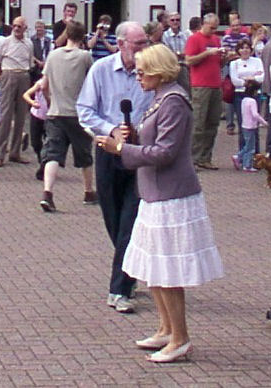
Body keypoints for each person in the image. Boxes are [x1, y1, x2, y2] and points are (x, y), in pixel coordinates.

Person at [94, 44, 223, 363]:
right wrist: (134, 136)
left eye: (142, 71)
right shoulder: (160, 99)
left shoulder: (174, 101)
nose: (137, 77)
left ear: (158, 71)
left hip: (172, 196)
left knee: (168, 269)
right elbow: (154, 143)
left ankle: (180, 337)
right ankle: (166, 328)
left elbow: (166, 151)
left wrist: (121, 150)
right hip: (153, 193)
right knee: (151, 265)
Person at [77, 21, 153, 314]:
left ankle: (118, 290)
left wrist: (141, 131)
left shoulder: (150, 72)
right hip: (108, 151)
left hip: (138, 153)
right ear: (121, 44)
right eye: (138, 44)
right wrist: (111, 130)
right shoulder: (101, 70)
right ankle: (129, 270)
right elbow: (84, 110)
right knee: (113, 218)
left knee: (131, 221)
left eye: (145, 42)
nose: (143, 49)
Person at [39, 21, 95, 213]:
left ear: (67, 34)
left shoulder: (53, 56)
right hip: (78, 114)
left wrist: (49, 102)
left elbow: (43, 85)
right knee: (84, 154)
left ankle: (47, 192)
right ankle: (88, 191)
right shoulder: (85, 57)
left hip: (55, 112)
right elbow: (92, 84)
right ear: (83, 37)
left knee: (53, 154)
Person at [186, 13, 229, 170]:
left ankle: (205, 157)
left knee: (212, 123)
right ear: (203, 24)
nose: (213, 31)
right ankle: (192, 158)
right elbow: (189, 60)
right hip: (200, 85)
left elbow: (218, 63)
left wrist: (225, 57)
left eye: (216, 28)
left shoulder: (216, 40)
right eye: (211, 28)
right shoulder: (194, 39)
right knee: (198, 123)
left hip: (215, 85)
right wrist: (207, 53)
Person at [0, 16, 33, 167]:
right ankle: (0, 154)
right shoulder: (5, 42)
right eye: (14, 26)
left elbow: (30, 63)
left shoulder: (29, 43)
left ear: (25, 28)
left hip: (23, 75)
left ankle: (15, 153)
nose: (16, 29)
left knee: (21, 115)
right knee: (5, 116)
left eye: (19, 26)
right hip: (8, 74)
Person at [228, 37, 264, 165]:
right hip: (240, 95)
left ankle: (255, 157)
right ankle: (243, 157)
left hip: (255, 94)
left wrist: (248, 79)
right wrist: (251, 79)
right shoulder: (234, 63)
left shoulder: (257, 61)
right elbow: (235, 81)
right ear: (238, 50)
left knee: (255, 125)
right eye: (242, 48)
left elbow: (261, 78)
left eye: (247, 48)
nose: (245, 50)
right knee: (244, 125)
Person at [237, 80, 268, 172]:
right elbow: (255, 114)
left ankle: (239, 156)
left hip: (245, 125)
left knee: (248, 145)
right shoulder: (252, 101)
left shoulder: (244, 100)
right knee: (251, 148)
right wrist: (264, 122)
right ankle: (247, 165)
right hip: (251, 126)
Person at [22, 77, 49, 180]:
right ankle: (41, 160)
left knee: (49, 144)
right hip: (37, 116)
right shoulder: (40, 83)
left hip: (51, 117)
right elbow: (26, 94)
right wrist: (32, 102)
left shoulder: (57, 83)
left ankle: (44, 166)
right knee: (35, 143)